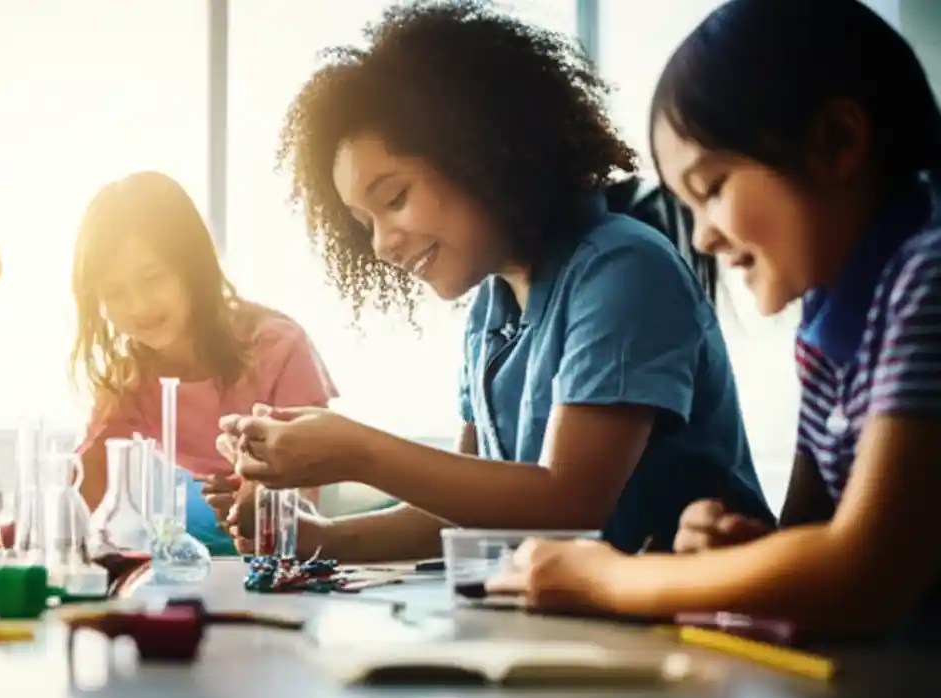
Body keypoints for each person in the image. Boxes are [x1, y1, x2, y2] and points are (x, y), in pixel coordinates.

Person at [211, 0, 772, 561]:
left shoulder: (623, 267)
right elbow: (467, 509)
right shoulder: (493, 307)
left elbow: (568, 503)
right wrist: (323, 539)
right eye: (365, 225)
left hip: (699, 625)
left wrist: (355, 451)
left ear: (478, 152)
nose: (381, 244)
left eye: (394, 199)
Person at [486, 0, 941, 636]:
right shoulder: (827, 327)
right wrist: (745, 557)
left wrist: (608, 577)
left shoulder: (927, 279)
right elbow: (815, 542)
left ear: (838, 142)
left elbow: (866, 569)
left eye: (714, 187)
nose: (702, 239)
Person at [71, 171, 335, 555]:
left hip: (297, 519)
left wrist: (253, 497)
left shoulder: (277, 348)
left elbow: (301, 495)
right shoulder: (130, 377)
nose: (138, 306)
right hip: (213, 524)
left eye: (152, 277)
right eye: (114, 292)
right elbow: (88, 486)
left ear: (191, 267)